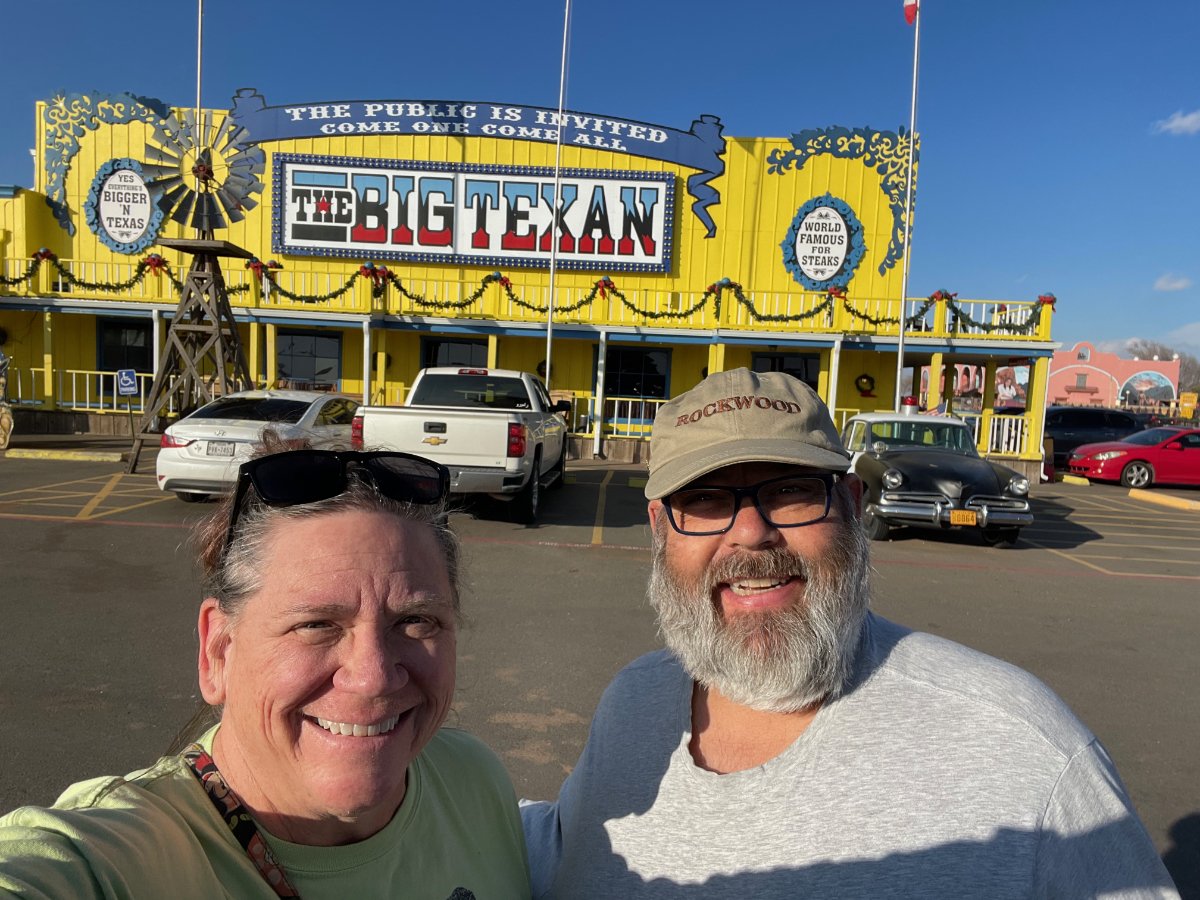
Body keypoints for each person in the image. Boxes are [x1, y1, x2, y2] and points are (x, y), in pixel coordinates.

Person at [521, 368, 1177, 898]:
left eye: (791, 491)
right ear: (660, 531)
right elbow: (551, 851)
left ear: (852, 508)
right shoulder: (634, 703)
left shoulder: (1023, 752)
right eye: (705, 500)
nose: (751, 533)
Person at [0, 441, 531, 898]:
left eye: (415, 621)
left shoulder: (472, 779)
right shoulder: (119, 858)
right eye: (316, 624)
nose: (373, 677)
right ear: (219, 651)